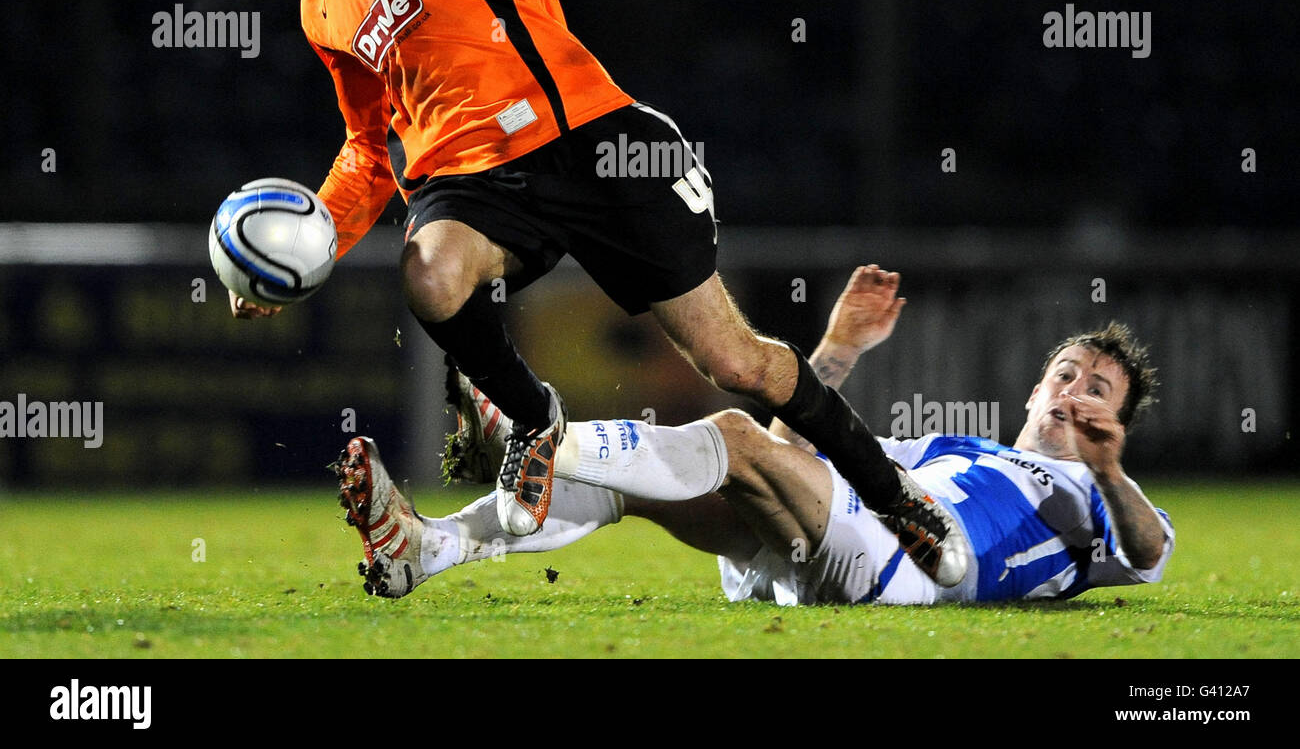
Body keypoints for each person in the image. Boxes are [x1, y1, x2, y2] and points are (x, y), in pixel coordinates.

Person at [214, 0, 965, 586]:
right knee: (429, 272)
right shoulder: (319, 4)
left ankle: (893, 496)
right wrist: (307, 245)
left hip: (587, 139)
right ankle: (534, 421)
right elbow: (367, 146)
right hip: (468, 178)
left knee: (738, 365)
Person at [335, 265, 1173, 604]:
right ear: (1036, 387)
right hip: (833, 549)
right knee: (662, 481)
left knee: (728, 438)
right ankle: (428, 548)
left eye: (1099, 390)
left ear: (1117, 424)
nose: (1076, 392)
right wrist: (839, 348)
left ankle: (542, 434)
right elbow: (795, 455)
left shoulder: (1090, 500)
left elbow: (1150, 556)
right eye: (1067, 373)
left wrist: (1108, 470)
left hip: (918, 572)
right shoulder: (954, 453)